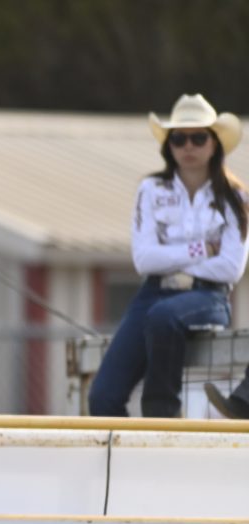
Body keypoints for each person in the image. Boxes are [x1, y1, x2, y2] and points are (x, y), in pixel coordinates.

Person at [89, 94, 247, 419]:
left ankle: (162, 417)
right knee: (103, 397)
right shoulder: (150, 189)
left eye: (198, 137)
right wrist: (203, 249)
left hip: (208, 296)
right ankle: (129, 464)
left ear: (214, 143)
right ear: (169, 146)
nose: (188, 146)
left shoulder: (236, 196)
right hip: (153, 292)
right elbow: (144, 261)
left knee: (164, 316)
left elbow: (230, 268)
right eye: (178, 138)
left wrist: (169, 256)